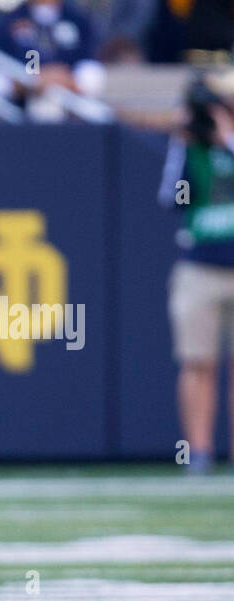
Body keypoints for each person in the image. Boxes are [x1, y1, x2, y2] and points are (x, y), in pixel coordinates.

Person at [160, 70, 234, 475]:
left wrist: (228, 141)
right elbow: (171, 197)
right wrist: (183, 143)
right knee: (198, 362)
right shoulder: (191, 145)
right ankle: (198, 453)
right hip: (201, 267)